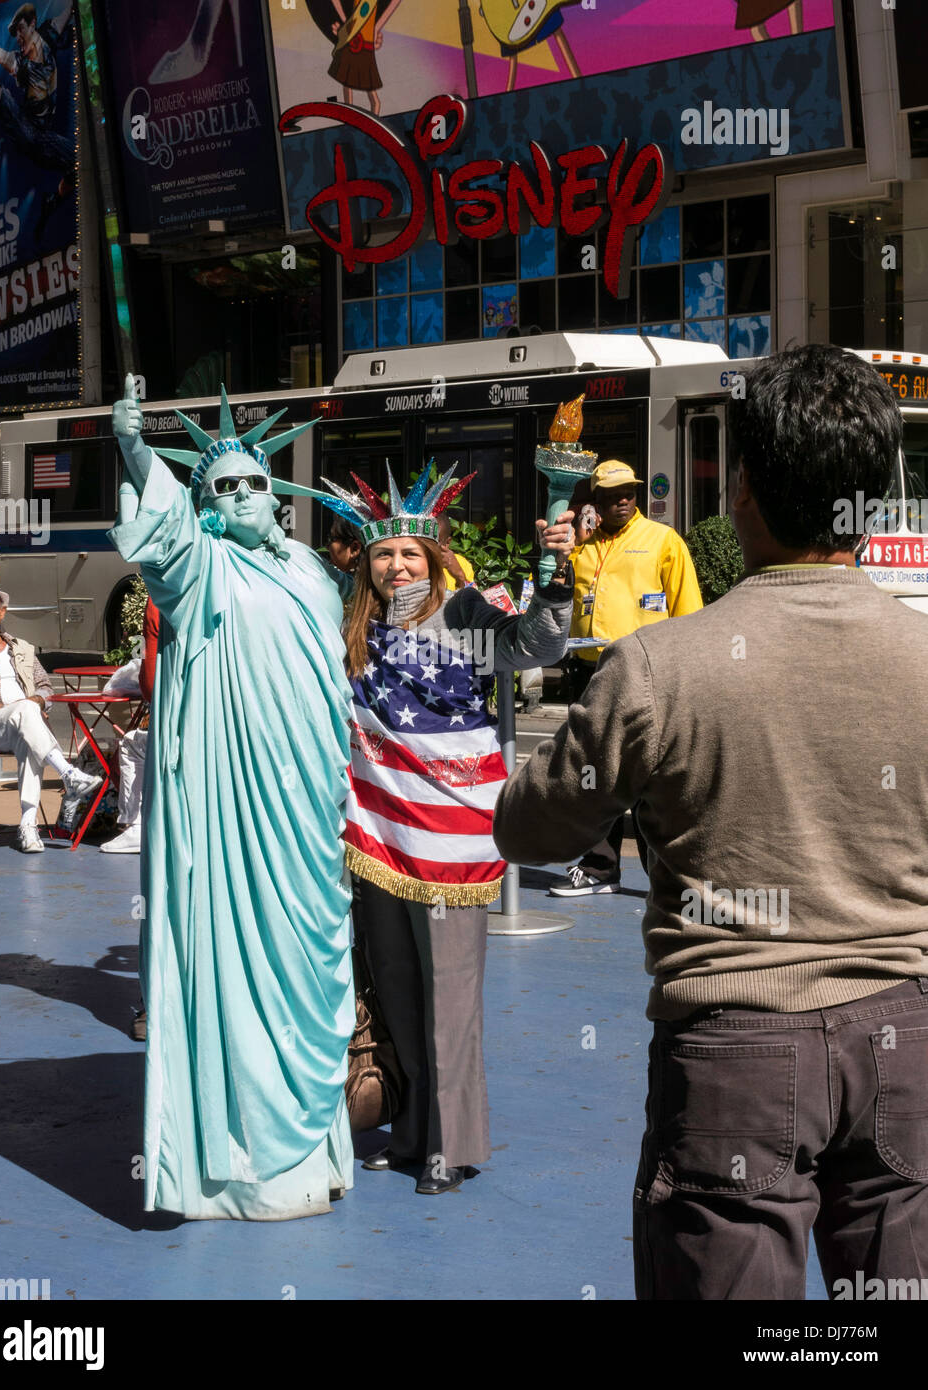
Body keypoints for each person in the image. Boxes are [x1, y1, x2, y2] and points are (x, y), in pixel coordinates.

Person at [495, 343, 928, 1300]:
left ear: (740, 488)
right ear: (877, 498)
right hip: (903, 1038)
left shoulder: (663, 667)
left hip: (734, 1047)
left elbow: (528, 834)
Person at [108, 376, 358, 1221]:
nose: (246, 494)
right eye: (226, 487)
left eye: (257, 482)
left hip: (308, 811)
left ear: (277, 497)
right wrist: (139, 450)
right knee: (238, 969)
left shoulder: (314, 573)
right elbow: (165, 541)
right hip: (235, 809)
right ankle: (245, 1164)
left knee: (307, 965)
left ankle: (312, 1152)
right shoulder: (205, 569)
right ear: (207, 504)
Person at [321, 461, 574, 1194]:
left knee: (449, 1004)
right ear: (364, 563)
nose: (396, 564)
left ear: (433, 555)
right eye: (382, 553)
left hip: (450, 843)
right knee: (397, 993)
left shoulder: (464, 612)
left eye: (410, 553)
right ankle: (409, 1136)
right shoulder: (353, 621)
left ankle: (453, 1148)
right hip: (376, 838)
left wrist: (553, 575)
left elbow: (536, 646)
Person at [548, 458, 703, 897]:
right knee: (596, 772)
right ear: (593, 500)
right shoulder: (583, 546)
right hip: (591, 672)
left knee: (654, 774)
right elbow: (555, 594)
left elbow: (688, 612)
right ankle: (601, 866)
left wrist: (684, 675)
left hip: (649, 673)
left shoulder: (663, 541)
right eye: (612, 494)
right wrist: (563, 550)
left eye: (629, 493)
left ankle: (665, 871)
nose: (622, 500)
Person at [0, 577, 101, 852]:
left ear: (2, 611)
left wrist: (33, 704)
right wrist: (21, 708)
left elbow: (45, 687)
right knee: (24, 711)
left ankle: (28, 827)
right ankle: (68, 773)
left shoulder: (23, 648)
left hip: (21, 724)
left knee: (28, 738)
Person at [0, 4, 76, 240]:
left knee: (75, 163)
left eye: (21, 30)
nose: (18, 38)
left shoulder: (48, 36)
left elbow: (66, 14)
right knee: (6, 100)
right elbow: (0, 54)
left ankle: (53, 201)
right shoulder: (21, 65)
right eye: (16, 34)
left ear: (32, 24)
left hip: (43, 135)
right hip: (30, 134)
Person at [100, 596, 159, 856]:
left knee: (131, 744)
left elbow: (150, 685)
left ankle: (135, 825)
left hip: (188, 724)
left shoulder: (160, 598)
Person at [436, 513, 475, 591]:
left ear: (447, 543)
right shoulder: (410, 562)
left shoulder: (461, 564)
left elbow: (471, 599)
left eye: (435, 541)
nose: (427, 547)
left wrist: (459, 575)